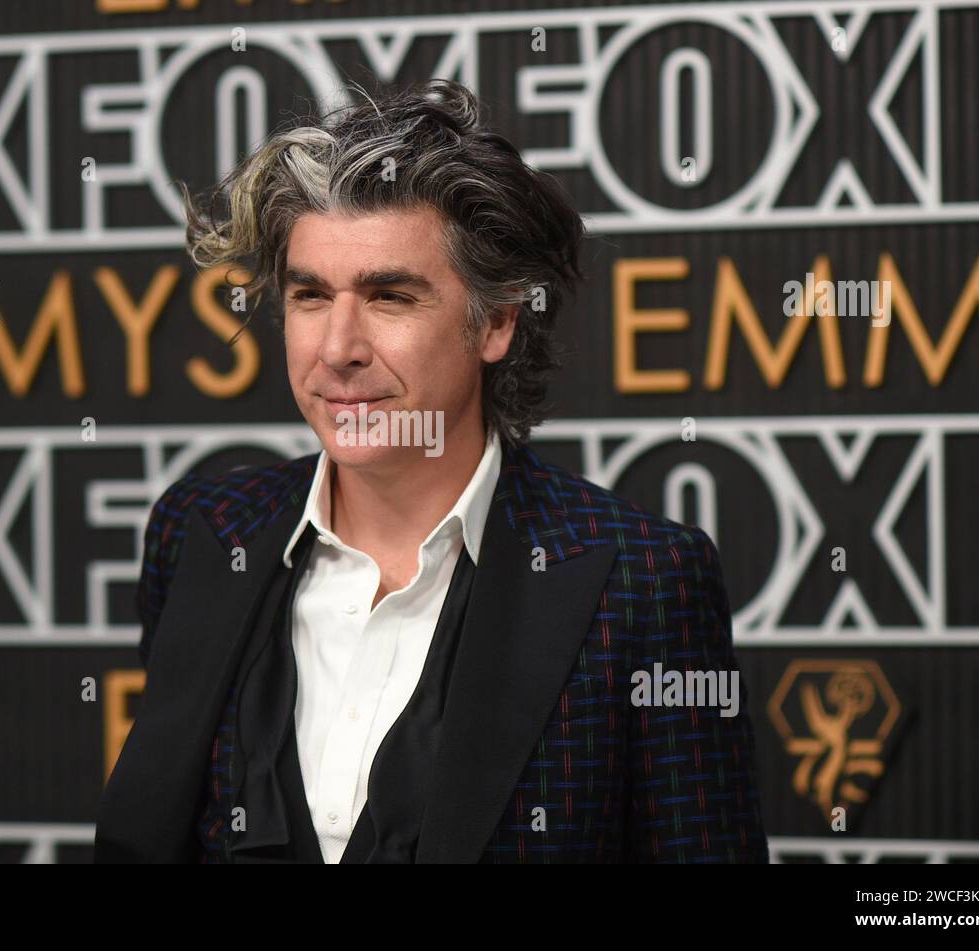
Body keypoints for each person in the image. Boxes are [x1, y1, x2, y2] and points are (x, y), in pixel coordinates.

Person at [94, 79, 768, 863]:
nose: (338, 347)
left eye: (390, 296)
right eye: (310, 295)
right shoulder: (202, 534)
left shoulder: (641, 579)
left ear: (499, 321)